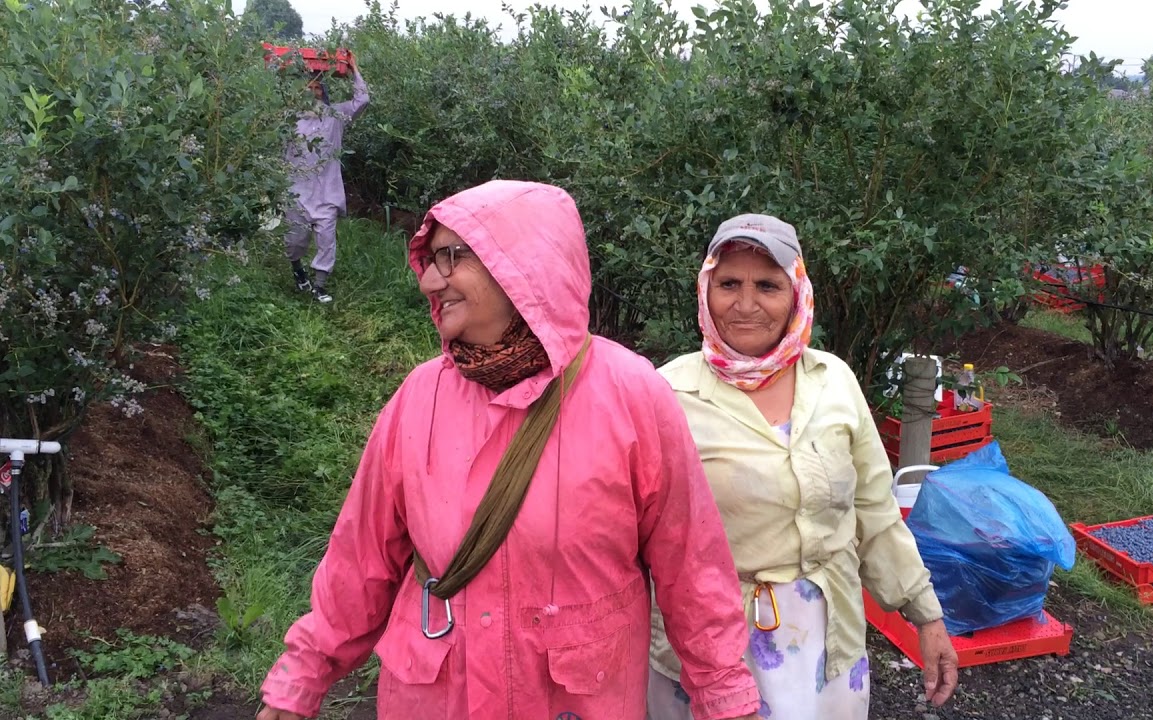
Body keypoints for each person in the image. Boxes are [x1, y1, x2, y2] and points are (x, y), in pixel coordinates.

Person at [257, 181, 763, 720]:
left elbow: (692, 568)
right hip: (434, 697)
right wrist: (300, 681)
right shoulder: (418, 397)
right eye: (430, 260)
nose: (430, 279)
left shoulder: (631, 394)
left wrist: (724, 695)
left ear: (525, 263)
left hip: (576, 700)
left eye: (452, 257)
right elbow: (361, 561)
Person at [646, 214, 960, 719]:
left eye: (767, 285)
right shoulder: (664, 392)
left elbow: (874, 511)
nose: (745, 305)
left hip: (824, 639)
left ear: (796, 292)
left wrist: (926, 616)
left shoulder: (833, 381)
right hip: (708, 643)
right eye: (729, 283)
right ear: (706, 289)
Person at [282, 57, 369, 304]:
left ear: (324, 92)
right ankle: (298, 269)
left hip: (327, 194)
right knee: (295, 241)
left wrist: (354, 68)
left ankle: (319, 285)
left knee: (327, 241)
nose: (313, 93)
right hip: (295, 193)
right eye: (308, 89)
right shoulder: (289, 121)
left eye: (317, 88)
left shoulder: (335, 116)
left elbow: (362, 101)